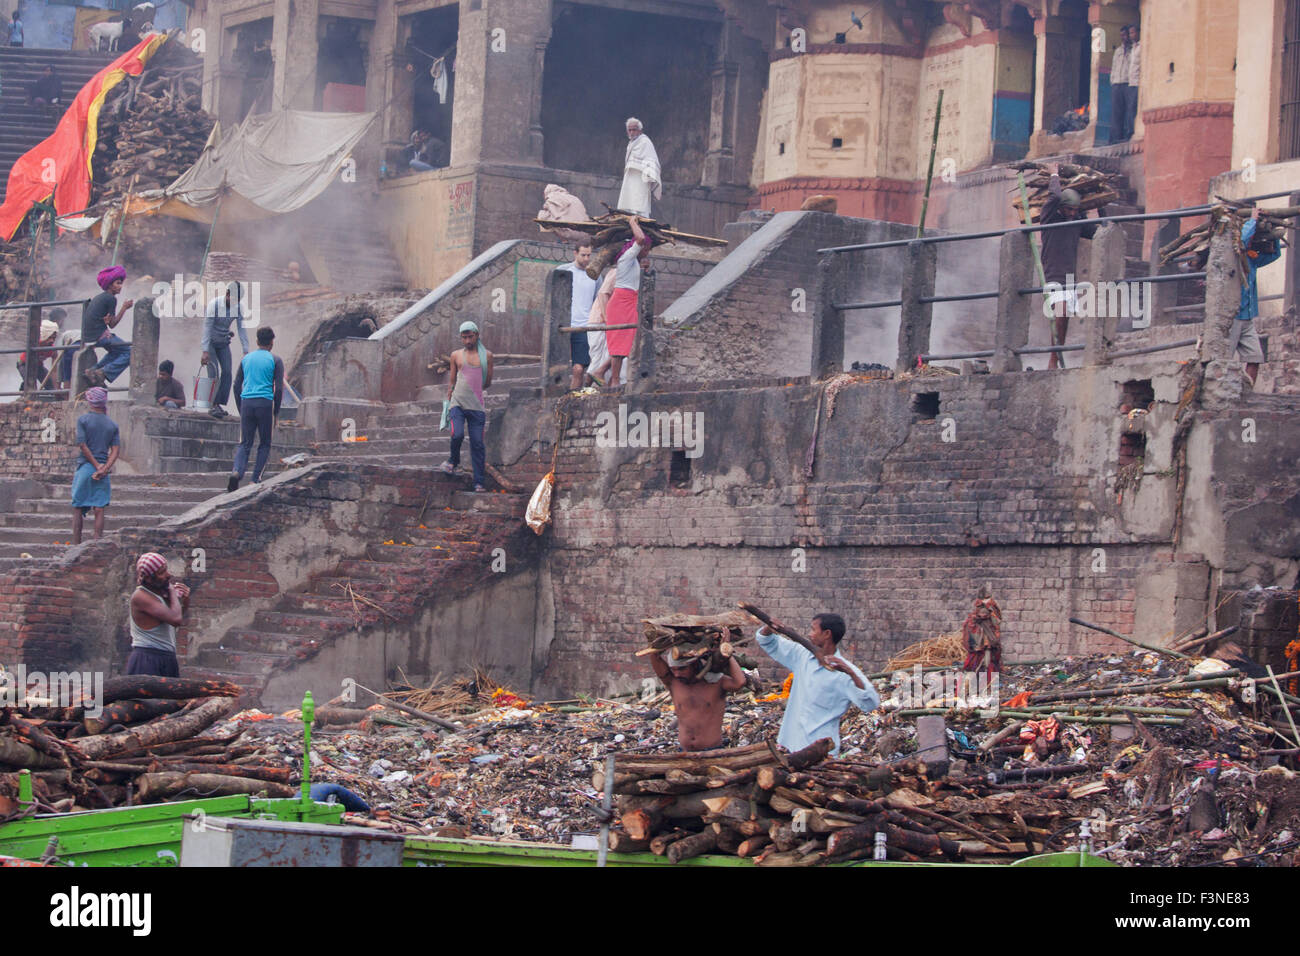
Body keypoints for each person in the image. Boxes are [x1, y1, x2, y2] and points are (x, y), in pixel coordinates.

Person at [752, 612, 878, 756]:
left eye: (813, 630)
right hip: (790, 745)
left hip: (821, 752)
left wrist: (851, 673)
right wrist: (769, 628)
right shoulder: (801, 656)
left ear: (826, 634)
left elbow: (870, 703)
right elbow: (767, 641)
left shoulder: (845, 672)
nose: (810, 634)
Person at [1039, 164, 1099, 369]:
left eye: (1075, 210)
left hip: (1070, 277)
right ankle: (1052, 360)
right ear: (1061, 208)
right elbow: (1054, 197)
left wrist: (1100, 204)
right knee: (1061, 312)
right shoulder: (1049, 218)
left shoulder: (1077, 222)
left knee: (1064, 320)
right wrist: (1054, 174)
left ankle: (1057, 355)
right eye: (1069, 209)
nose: (1072, 213)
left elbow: (1098, 232)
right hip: (1053, 273)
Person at [649, 646, 747, 752]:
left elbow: (739, 682)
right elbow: (654, 656)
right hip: (684, 751)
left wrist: (727, 653)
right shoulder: (673, 682)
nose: (677, 674)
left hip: (712, 751)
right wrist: (662, 642)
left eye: (682, 669)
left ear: (694, 665)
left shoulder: (716, 682)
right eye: (673, 670)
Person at [227, 326, 284, 492]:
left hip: (247, 403)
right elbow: (279, 389)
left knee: (245, 442)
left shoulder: (246, 359)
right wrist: (276, 411)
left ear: (257, 341)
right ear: (272, 342)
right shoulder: (276, 360)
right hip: (265, 403)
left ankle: (237, 472)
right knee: (265, 443)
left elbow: (237, 385)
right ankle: (255, 479)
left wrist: (240, 405)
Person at [440, 321, 494, 492]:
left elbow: (488, 381)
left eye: (470, 336)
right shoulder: (456, 355)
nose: (468, 340)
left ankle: (478, 482)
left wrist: (474, 391)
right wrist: (449, 400)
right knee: (457, 434)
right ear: (461, 338)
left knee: (477, 444)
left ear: (477, 335)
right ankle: (452, 461)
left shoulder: (487, 356)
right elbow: (452, 380)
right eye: (464, 337)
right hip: (457, 403)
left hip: (477, 406)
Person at [1234, 208, 1281, 387]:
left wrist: (1274, 233)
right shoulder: (1233, 257)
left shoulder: (1252, 260)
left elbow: (1274, 255)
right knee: (1222, 360)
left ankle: (1246, 392)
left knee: (1255, 358)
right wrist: (1253, 220)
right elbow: (1241, 243)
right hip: (1231, 319)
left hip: (1247, 318)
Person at [604, 216, 653, 388]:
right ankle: (615, 380)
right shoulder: (626, 258)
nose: (647, 251)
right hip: (620, 303)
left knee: (626, 344)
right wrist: (633, 222)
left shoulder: (636, 263)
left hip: (631, 302)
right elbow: (639, 239)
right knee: (618, 344)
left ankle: (602, 372)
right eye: (646, 248)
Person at [127, 552, 190, 677]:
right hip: (147, 660)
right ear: (149, 577)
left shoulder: (158, 592)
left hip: (166, 658)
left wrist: (186, 600)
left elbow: (174, 621)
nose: (168, 575)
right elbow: (176, 619)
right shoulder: (141, 596)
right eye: (162, 572)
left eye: (166, 570)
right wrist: (172, 591)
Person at [70, 387, 119, 545]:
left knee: (78, 506)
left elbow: (82, 445)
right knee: (99, 508)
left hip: (86, 467)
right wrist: (104, 468)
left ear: (90, 402)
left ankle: (76, 545)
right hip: (103, 470)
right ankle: (96, 543)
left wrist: (96, 465)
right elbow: (116, 450)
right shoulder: (112, 424)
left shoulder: (83, 420)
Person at [200, 282, 250, 419]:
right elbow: (207, 328)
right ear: (227, 294)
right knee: (213, 372)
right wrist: (204, 350)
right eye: (233, 299)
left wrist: (246, 350)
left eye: (237, 300)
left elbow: (242, 329)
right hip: (211, 343)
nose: (235, 302)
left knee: (227, 372)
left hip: (223, 343)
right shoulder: (214, 305)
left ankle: (219, 403)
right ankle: (212, 405)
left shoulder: (239, 308)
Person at [81, 266, 134, 386]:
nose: (120, 286)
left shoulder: (100, 297)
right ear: (109, 285)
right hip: (99, 336)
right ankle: (103, 372)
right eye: (118, 283)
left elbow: (108, 321)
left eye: (121, 283)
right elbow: (113, 324)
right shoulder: (110, 298)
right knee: (130, 352)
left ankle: (93, 370)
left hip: (91, 336)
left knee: (116, 352)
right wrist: (124, 308)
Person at [556, 241, 598, 390]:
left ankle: (573, 399)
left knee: (578, 369)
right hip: (562, 325)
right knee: (556, 367)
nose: (586, 258)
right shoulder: (563, 270)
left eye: (589, 255)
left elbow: (597, 301)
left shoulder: (595, 276)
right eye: (583, 255)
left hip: (583, 327)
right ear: (575, 253)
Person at [585, 268, 625, 387]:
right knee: (598, 361)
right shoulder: (617, 272)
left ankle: (593, 391)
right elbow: (603, 293)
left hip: (612, 323)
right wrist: (607, 319)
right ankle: (588, 392)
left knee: (609, 357)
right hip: (601, 321)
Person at [617, 118, 662, 217]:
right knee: (628, 200)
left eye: (634, 129)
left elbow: (653, 161)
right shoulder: (630, 144)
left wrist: (648, 173)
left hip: (641, 179)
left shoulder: (646, 142)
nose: (632, 132)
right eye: (630, 130)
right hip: (629, 178)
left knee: (640, 203)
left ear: (640, 130)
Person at [960, 592, 1003, 683]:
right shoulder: (973, 620)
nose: (983, 614)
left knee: (989, 663)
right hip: (977, 648)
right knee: (974, 664)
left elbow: (997, 625)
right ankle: (973, 680)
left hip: (989, 646)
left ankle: (988, 681)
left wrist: (991, 642)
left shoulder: (991, 619)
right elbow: (969, 633)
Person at [16, 319, 58, 389]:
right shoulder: (35, 343)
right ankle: (24, 393)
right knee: (30, 383)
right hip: (24, 364)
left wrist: (56, 387)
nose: (52, 340)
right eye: (49, 337)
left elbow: (54, 370)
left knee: (50, 385)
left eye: (54, 338)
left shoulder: (52, 350)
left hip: (38, 366)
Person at [1109, 26, 1131, 144]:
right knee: (1116, 112)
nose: (1124, 38)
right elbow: (1114, 67)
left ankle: (1126, 135)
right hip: (1117, 83)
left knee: (1128, 110)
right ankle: (1116, 137)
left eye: (1126, 35)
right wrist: (1113, 81)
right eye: (1122, 35)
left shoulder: (1133, 49)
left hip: (1128, 83)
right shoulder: (1118, 51)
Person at [1122, 24, 1141, 142]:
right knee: (1129, 108)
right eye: (1130, 33)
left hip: (1137, 82)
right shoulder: (1133, 48)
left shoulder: (1141, 46)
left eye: (1133, 33)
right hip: (1130, 82)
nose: (1131, 35)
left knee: (1132, 108)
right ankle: (1129, 132)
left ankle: (1132, 131)